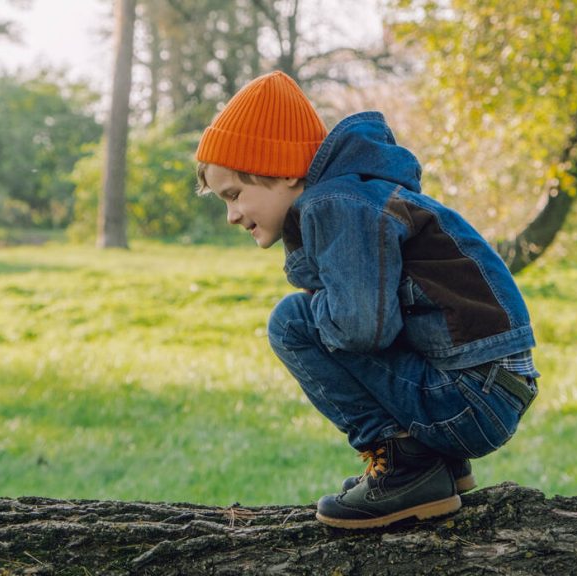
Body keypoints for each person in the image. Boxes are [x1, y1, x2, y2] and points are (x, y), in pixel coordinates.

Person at [195, 71, 539, 529]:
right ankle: (432, 465)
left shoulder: (337, 204)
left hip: (471, 397)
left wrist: (317, 302)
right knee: (313, 314)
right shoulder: (354, 196)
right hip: (488, 389)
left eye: (235, 195)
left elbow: (361, 327)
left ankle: (406, 468)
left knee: (292, 322)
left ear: (282, 169)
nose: (231, 214)